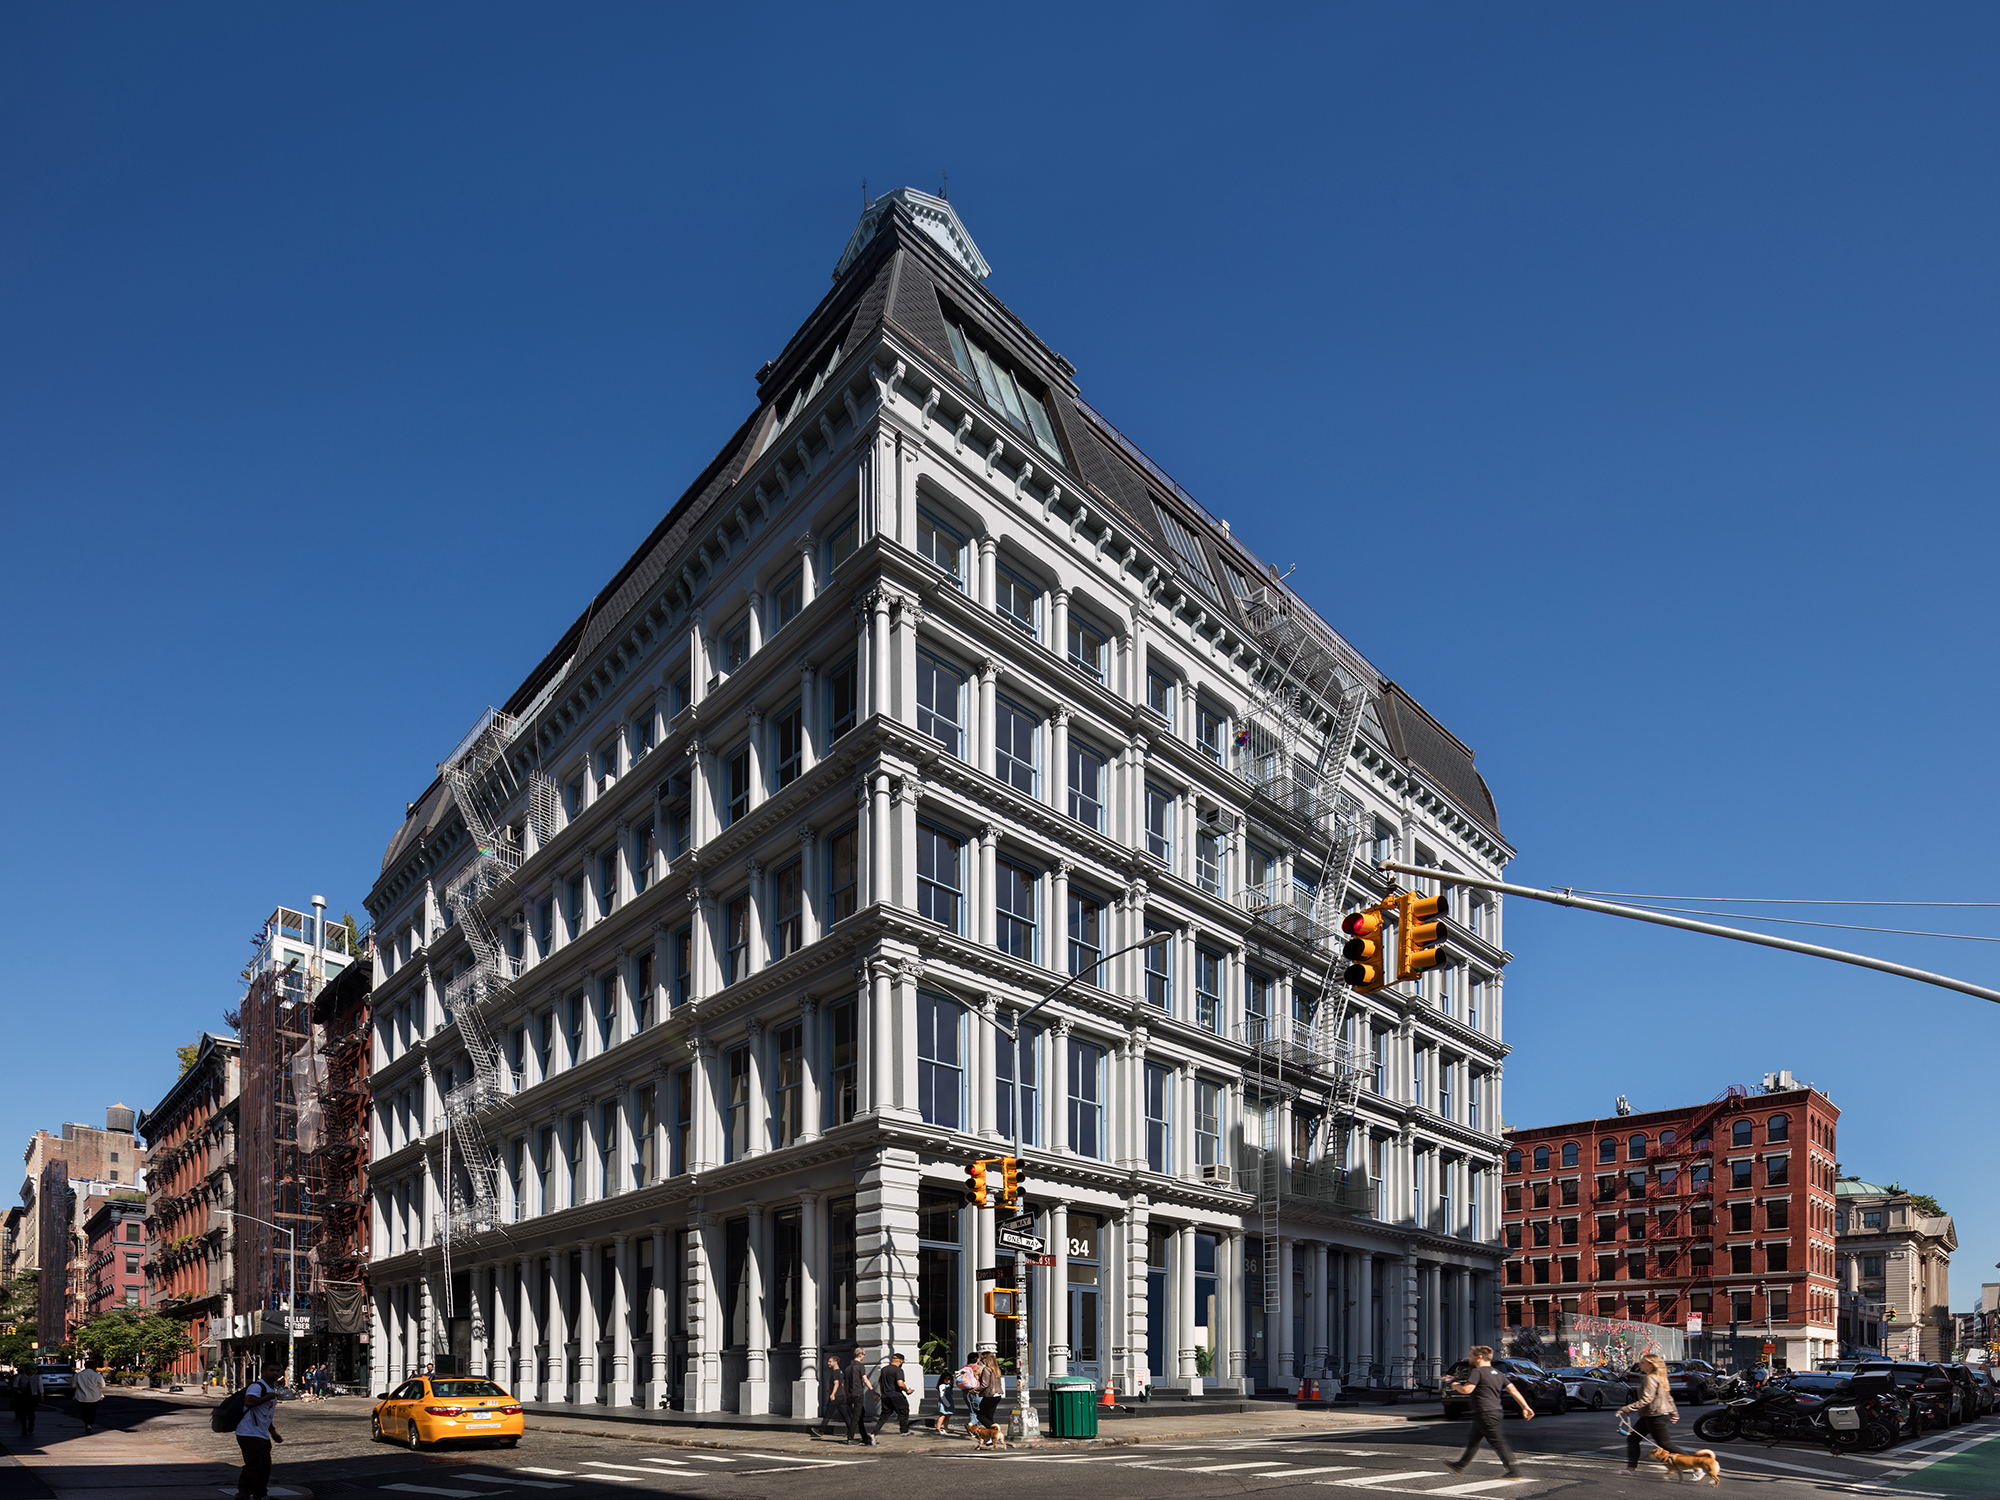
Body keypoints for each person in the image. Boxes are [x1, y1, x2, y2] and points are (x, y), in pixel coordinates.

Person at [1444, 1344, 1532, 1480]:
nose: (1468, 1358)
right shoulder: (1498, 1373)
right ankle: (1459, 1465)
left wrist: (1455, 1385)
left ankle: (1514, 1471)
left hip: (1485, 1413)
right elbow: (1513, 1390)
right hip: (1493, 1412)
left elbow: (1467, 1390)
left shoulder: (1478, 1372)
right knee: (1473, 1441)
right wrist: (1525, 1407)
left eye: (1470, 1355)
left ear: (1479, 1357)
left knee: (1497, 1442)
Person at [234, 1357, 289, 1500]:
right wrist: (268, 1396)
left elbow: (265, 1415)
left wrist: (273, 1433)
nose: (275, 1373)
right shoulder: (257, 1386)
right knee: (253, 1466)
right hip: (249, 1432)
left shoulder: (270, 1388)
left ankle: (260, 1495)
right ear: (263, 1372)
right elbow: (249, 1401)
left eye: (277, 1371)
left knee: (265, 1467)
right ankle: (243, 1494)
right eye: (271, 1370)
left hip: (261, 1433)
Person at [1617, 1352, 1682, 1473]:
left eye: (1643, 1363)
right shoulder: (1659, 1377)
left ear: (1651, 1365)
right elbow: (1668, 1398)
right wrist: (1674, 1413)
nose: (1640, 1365)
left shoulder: (1650, 1378)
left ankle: (1697, 1465)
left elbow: (1647, 1399)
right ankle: (1631, 1468)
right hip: (1653, 1414)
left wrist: (1626, 1408)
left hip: (1654, 1415)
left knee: (1665, 1444)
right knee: (1633, 1439)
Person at [970, 1351, 1007, 1451]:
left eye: (982, 1358)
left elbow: (984, 1385)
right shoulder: (996, 1369)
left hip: (989, 1395)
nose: (981, 1360)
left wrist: (973, 1391)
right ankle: (993, 1436)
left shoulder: (986, 1369)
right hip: (997, 1395)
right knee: (989, 1416)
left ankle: (992, 1434)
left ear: (986, 1359)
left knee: (980, 1415)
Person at [839, 1346, 874, 1445]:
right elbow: (865, 1379)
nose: (864, 1356)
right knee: (856, 1417)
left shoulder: (847, 1368)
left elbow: (843, 1384)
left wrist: (846, 1396)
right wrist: (872, 1390)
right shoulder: (860, 1366)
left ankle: (864, 1436)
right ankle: (850, 1438)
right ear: (860, 1355)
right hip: (858, 1393)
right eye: (864, 1354)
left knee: (860, 1414)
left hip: (850, 1394)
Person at [873, 1353, 912, 1437]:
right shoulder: (898, 1370)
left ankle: (874, 1432)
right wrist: (906, 1390)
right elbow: (900, 1384)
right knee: (903, 1412)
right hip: (896, 1395)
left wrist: (883, 1393)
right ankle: (904, 1431)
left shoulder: (884, 1369)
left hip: (886, 1396)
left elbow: (881, 1383)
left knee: (883, 1416)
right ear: (901, 1361)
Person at [73, 1361, 106, 1434]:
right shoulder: (97, 1376)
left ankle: (87, 1424)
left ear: (85, 1366)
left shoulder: (78, 1375)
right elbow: (102, 1386)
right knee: (92, 1412)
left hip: (81, 1397)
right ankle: (90, 1425)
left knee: (83, 1412)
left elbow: (73, 1386)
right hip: (94, 1396)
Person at [11, 1366, 41, 1439]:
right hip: (22, 1397)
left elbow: (40, 1386)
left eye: (32, 1369)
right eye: (28, 1369)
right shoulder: (19, 1377)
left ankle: (31, 1425)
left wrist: (41, 1394)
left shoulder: (36, 1377)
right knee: (23, 1414)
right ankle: (24, 1427)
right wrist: (21, 1388)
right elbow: (14, 1385)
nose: (30, 1371)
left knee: (31, 1413)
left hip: (32, 1397)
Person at [932, 1357, 958, 1436]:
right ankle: (937, 1428)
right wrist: (948, 1404)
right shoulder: (942, 1386)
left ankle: (946, 1427)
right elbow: (942, 1396)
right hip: (944, 1402)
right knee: (942, 1415)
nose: (947, 1380)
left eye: (949, 1379)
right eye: (946, 1379)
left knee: (948, 1415)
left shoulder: (949, 1386)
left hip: (949, 1401)